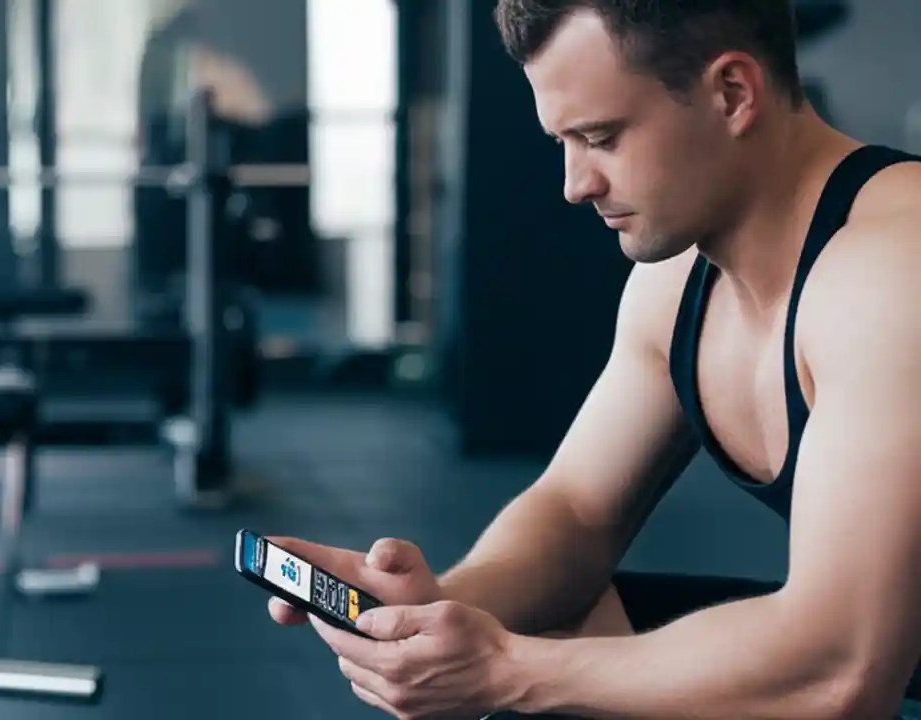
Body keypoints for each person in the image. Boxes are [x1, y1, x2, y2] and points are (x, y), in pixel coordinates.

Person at [266, 1, 921, 718]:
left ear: (733, 93)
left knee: (533, 669)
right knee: (541, 632)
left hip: (866, 657)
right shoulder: (677, 284)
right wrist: (442, 609)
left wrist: (507, 670)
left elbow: (842, 672)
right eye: (564, 143)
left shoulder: (893, 270)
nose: (575, 184)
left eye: (600, 138)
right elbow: (576, 512)